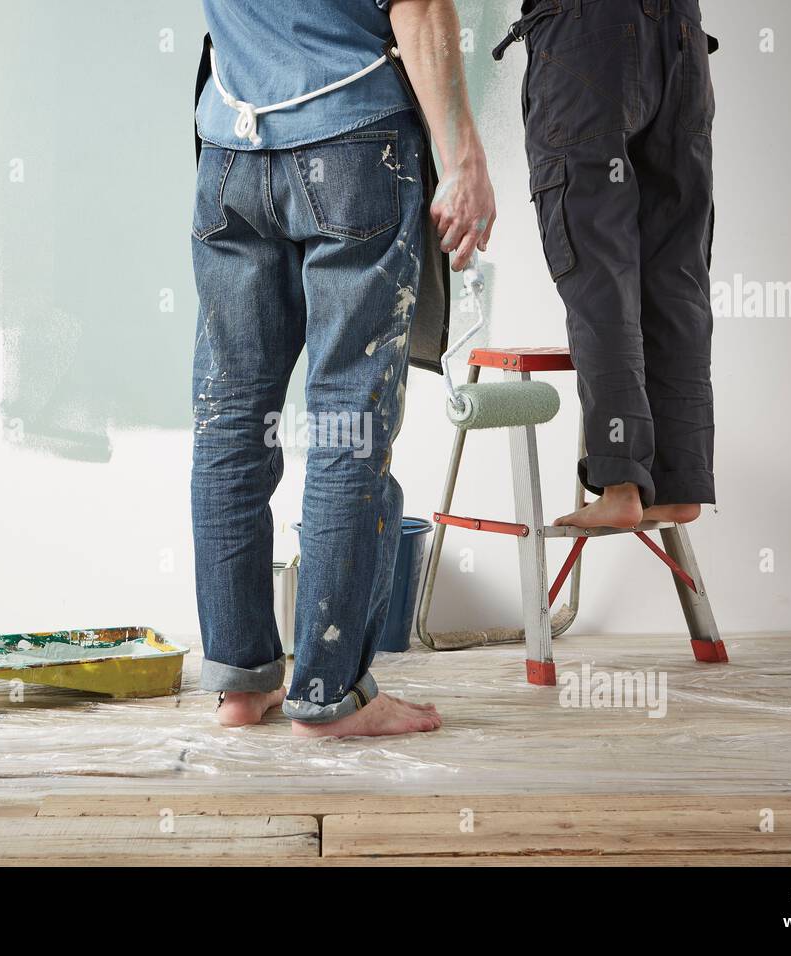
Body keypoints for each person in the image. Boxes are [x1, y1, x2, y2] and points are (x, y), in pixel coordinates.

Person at [189, 0, 496, 736]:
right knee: (347, 422)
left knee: (230, 417)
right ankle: (330, 695)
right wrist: (464, 161)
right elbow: (419, 6)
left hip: (229, 154)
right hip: (352, 141)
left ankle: (240, 681)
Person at [497, 0, 719, 529]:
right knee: (676, 274)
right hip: (682, 39)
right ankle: (681, 480)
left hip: (587, 38)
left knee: (598, 269)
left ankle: (621, 484)